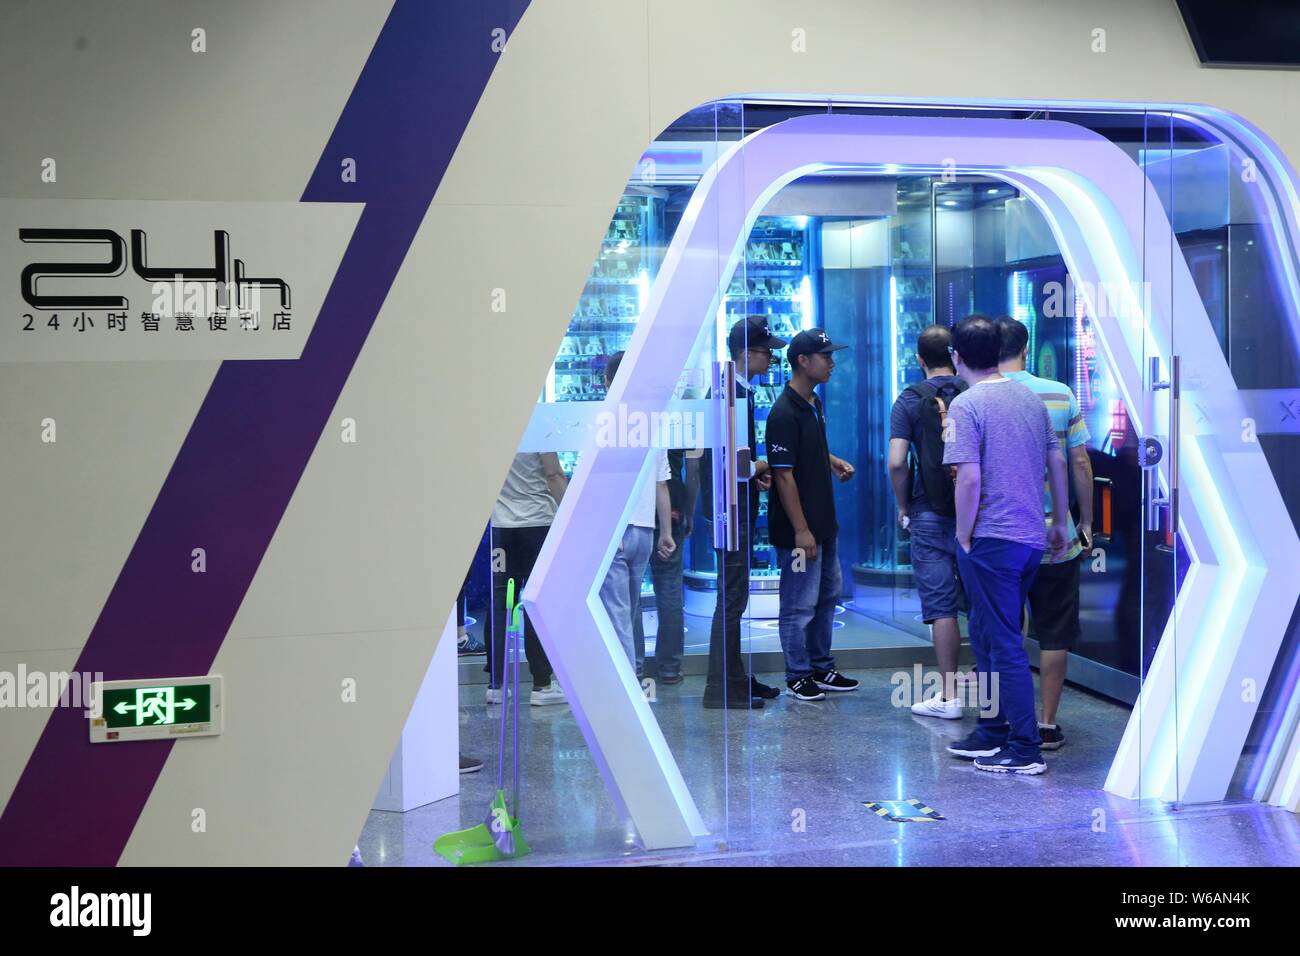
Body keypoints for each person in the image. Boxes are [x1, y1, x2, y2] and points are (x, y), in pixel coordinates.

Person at [942, 315, 1070, 775]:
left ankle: (1024, 747)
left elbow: (969, 477)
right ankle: (992, 732)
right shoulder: (1030, 400)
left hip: (991, 538)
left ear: (956, 356)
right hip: (1030, 535)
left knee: (1003, 643)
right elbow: (1057, 460)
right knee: (990, 638)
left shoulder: (966, 405)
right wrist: (1061, 520)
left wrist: (962, 532)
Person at [997, 316, 1094, 750]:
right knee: (1054, 630)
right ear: (1027, 345)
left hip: (1001, 539)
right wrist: (1084, 520)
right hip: (1056, 535)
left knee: (1004, 628)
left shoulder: (980, 396)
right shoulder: (1060, 394)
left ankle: (1006, 720)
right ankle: (1048, 723)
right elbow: (1080, 464)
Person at [766, 328, 860, 702]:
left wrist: (832, 461)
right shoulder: (783, 413)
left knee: (826, 597)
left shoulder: (814, 403)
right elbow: (783, 475)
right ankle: (797, 673)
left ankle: (822, 666)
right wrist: (802, 532)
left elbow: (811, 449)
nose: (832, 363)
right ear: (802, 361)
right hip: (799, 532)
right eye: (825, 356)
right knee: (798, 603)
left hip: (824, 524)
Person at [702, 316, 786, 709]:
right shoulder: (727, 393)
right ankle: (722, 686)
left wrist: (751, 475)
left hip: (734, 504)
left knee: (734, 597)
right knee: (731, 599)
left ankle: (734, 677)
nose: (771, 358)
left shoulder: (737, 390)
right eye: (768, 351)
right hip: (728, 511)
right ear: (747, 353)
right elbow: (728, 463)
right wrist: (759, 467)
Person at [888, 324, 968, 719]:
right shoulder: (974, 393)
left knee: (942, 607)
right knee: (990, 602)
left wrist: (904, 506)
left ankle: (949, 695)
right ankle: (1000, 693)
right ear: (954, 354)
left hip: (929, 511)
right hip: (977, 514)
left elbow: (897, 462)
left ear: (919, 359)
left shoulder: (908, 400)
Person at [598, 351, 676, 678]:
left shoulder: (601, 420)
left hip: (613, 530)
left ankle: (625, 686)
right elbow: (661, 483)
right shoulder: (652, 421)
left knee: (618, 615)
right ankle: (629, 679)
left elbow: (598, 483)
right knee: (628, 613)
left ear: (607, 381)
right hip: (644, 530)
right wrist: (666, 532)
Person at [487, 452, 569, 706]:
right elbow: (553, 473)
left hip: (500, 527)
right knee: (535, 604)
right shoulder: (539, 421)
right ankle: (542, 684)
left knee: (499, 602)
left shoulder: (494, 426)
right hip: (538, 523)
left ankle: (496, 686)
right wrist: (569, 513)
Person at [633, 438, 699, 685]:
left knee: (630, 594)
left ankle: (633, 666)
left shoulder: (625, 415)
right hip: (671, 505)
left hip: (633, 507)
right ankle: (670, 667)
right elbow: (693, 468)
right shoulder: (676, 416)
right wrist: (689, 510)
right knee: (670, 589)